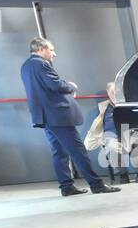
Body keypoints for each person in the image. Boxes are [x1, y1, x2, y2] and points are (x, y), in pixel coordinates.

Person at [20, 37, 118, 195]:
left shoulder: (26, 66)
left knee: (59, 152)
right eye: (51, 50)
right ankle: (96, 185)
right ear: (41, 49)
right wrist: (71, 86)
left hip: (45, 117)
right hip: (57, 116)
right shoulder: (41, 64)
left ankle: (66, 186)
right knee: (78, 151)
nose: (54, 53)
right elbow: (55, 84)